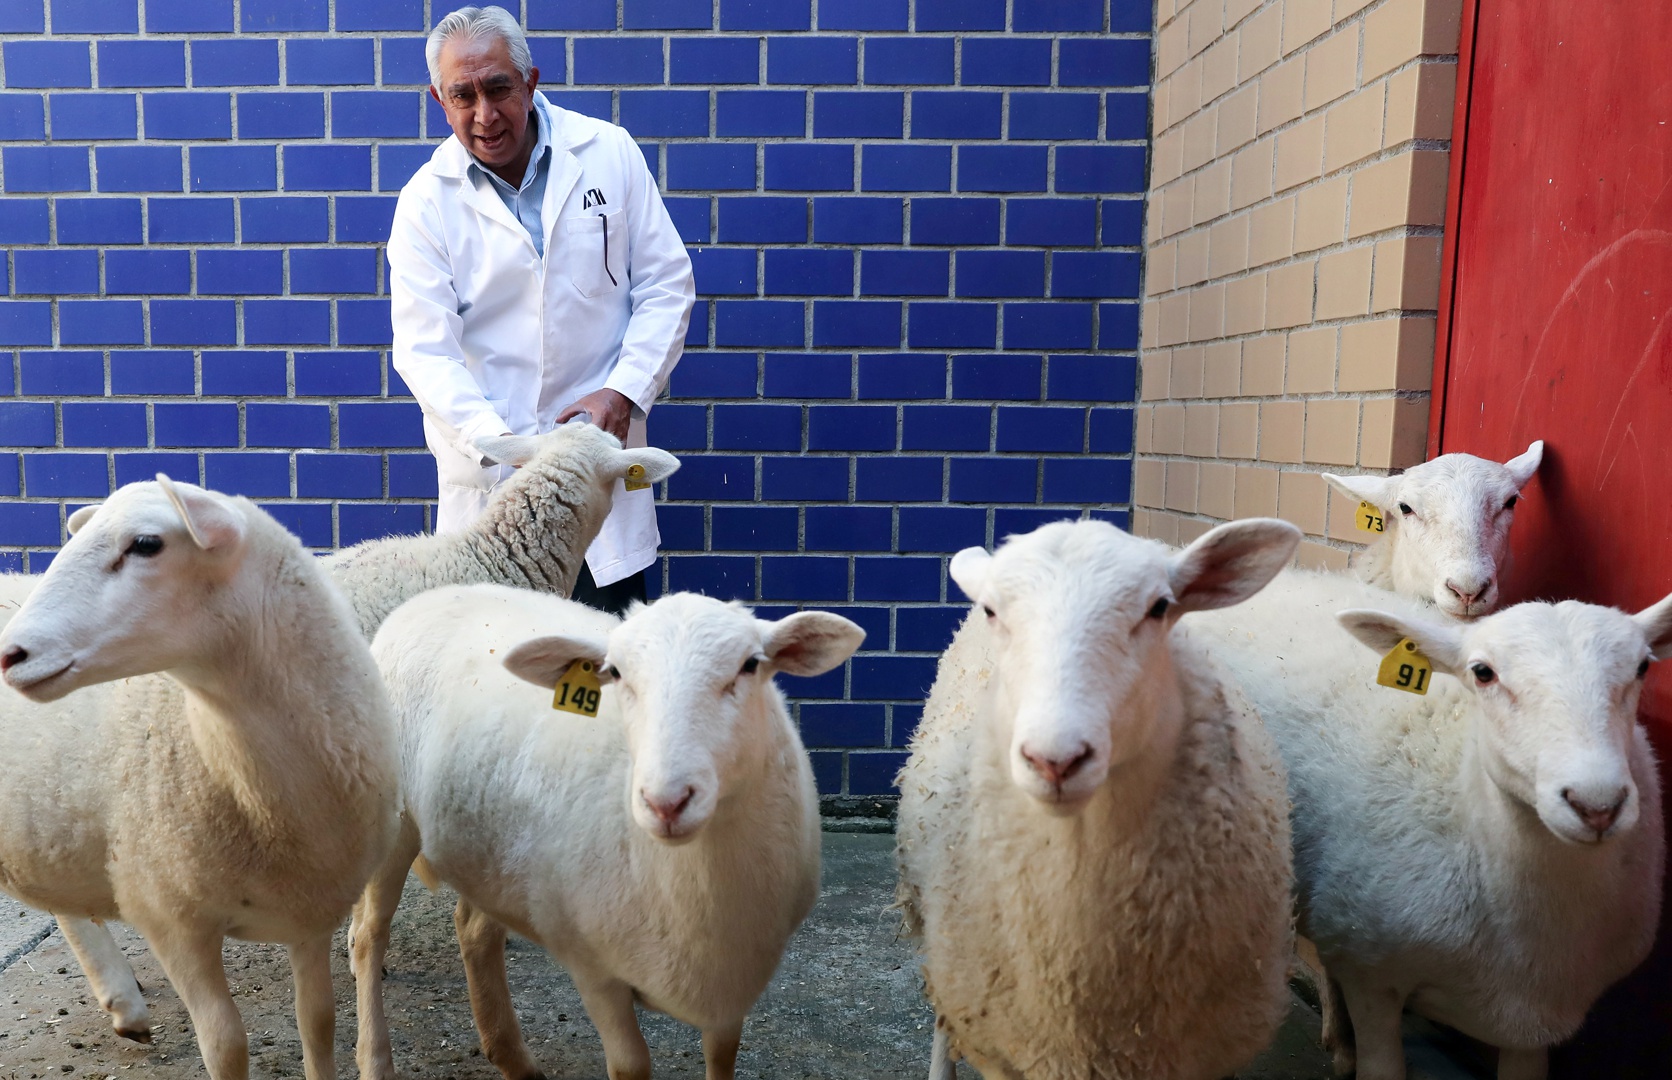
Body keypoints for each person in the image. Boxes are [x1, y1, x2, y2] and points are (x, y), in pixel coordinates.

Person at [388, 4, 695, 613]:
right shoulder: (425, 202)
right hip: (491, 495)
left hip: (599, 478)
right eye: (462, 96)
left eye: (499, 88)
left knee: (591, 681)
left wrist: (624, 393)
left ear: (531, 81)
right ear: (437, 100)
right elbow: (425, 351)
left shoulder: (609, 153)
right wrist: (502, 444)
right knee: (489, 678)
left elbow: (666, 284)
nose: (484, 114)